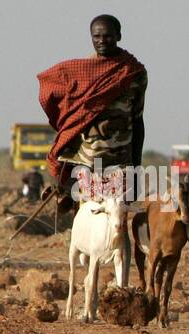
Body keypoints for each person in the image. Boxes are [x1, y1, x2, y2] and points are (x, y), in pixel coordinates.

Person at [37, 14, 147, 212]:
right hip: (86, 160)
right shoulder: (81, 73)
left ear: (119, 36)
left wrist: (136, 169)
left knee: (116, 220)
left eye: (108, 36)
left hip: (120, 160)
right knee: (88, 216)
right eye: (96, 37)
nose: (102, 41)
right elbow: (61, 101)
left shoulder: (133, 73)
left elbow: (138, 121)